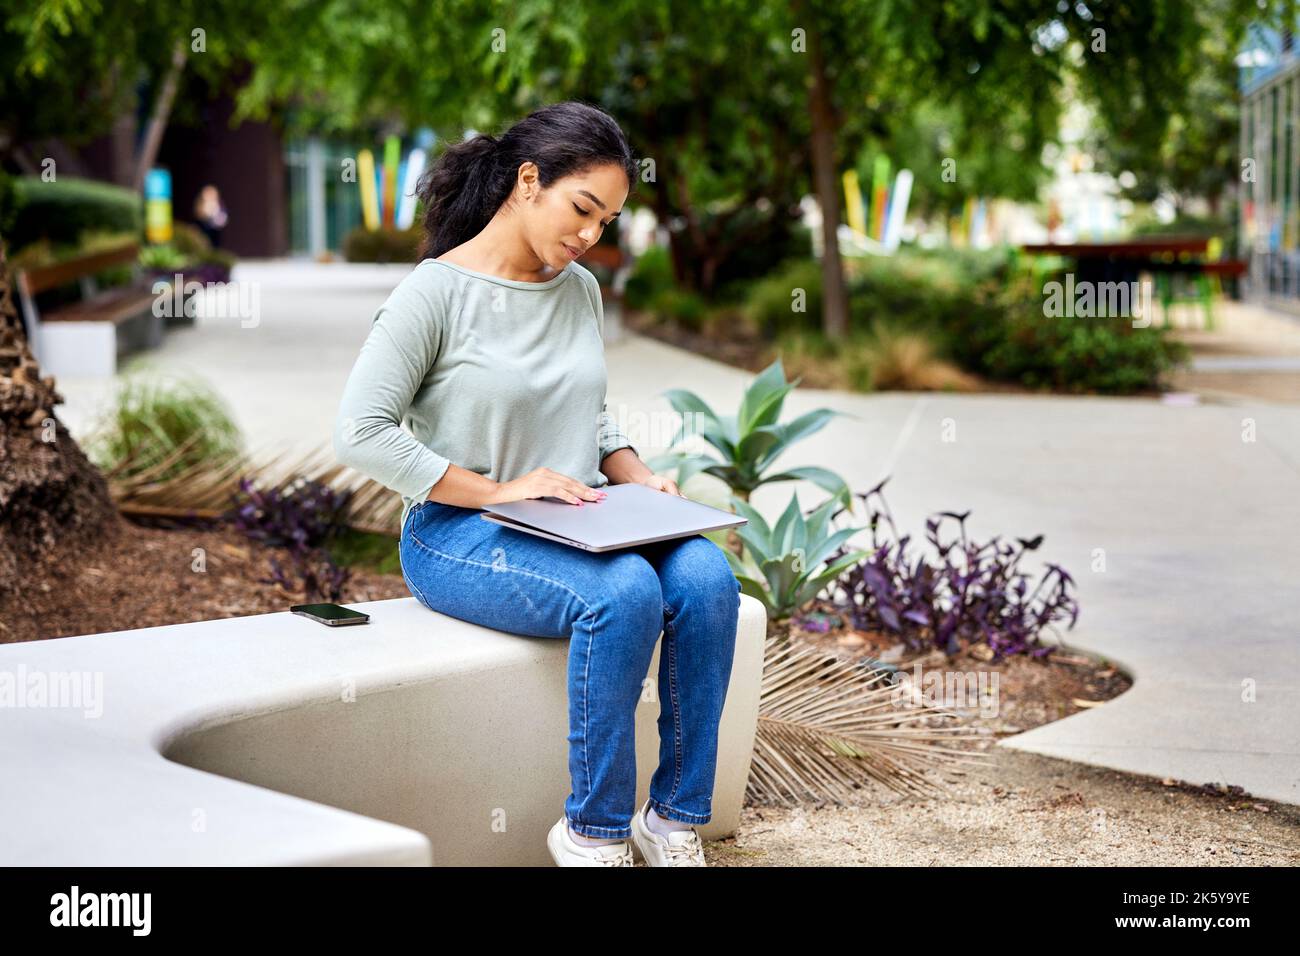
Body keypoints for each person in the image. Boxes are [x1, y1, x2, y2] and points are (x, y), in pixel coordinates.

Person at [331, 101, 740, 867]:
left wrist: (645, 483)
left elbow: (593, 418)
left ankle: (674, 819)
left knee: (708, 579)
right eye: (583, 209)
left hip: (584, 518)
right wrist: (500, 491)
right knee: (622, 594)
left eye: (608, 222)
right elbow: (361, 430)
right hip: (460, 532)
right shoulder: (435, 294)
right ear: (528, 181)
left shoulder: (578, 290)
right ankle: (593, 833)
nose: (591, 236)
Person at [193, 184, 228, 248]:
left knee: (215, 244)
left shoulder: (219, 204)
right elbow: (198, 215)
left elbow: (223, 216)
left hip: (215, 229)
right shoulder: (200, 204)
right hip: (203, 229)